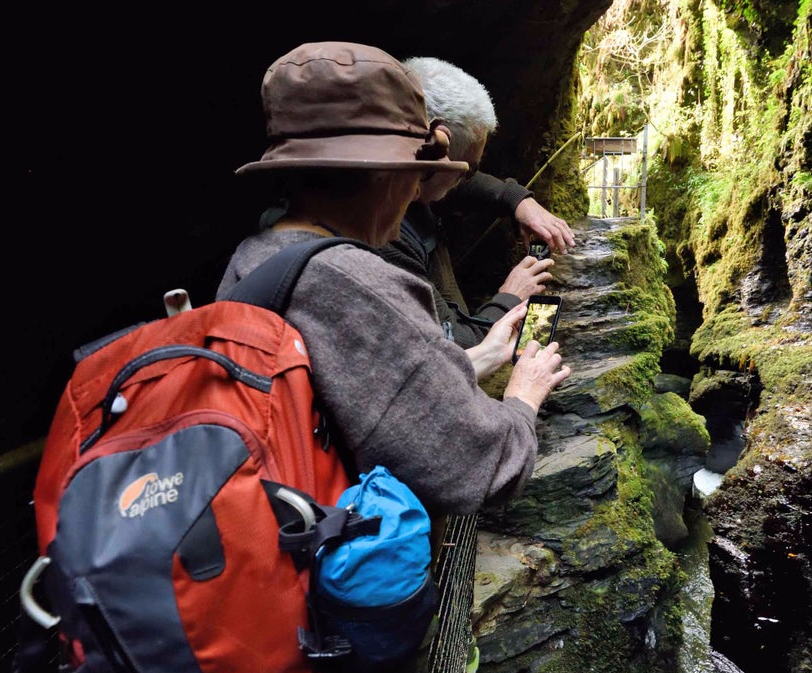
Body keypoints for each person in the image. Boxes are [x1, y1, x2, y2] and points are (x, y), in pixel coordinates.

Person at [219, 41, 571, 517]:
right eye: (418, 171)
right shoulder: (362, 285)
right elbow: (479, 467)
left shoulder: (253, 256)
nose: (421, 192)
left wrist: (475, 358)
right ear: (387, 176)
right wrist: (522, 398)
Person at [379, 56, 560, 349]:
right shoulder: (384, 239)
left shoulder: (400, 176)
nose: (466, 179)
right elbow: (457, 346)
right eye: (467, 169)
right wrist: (509, 296)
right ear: (434, 153)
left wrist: (516, 201)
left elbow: (457, 183)